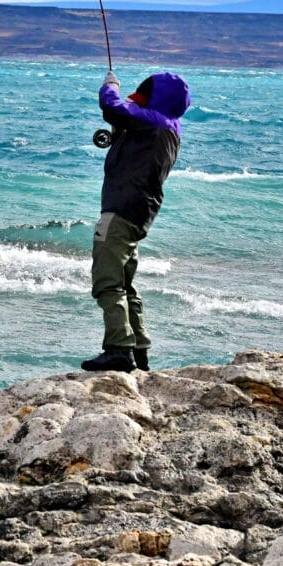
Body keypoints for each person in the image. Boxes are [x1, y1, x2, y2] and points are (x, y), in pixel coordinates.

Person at [82, 70, 190, 373]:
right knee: (126, 282)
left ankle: (118, 349)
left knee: (108, 281)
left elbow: (112, 106)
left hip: (121, 209)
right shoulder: (168, 126)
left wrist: (110, 84)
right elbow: (130, 131)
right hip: (141, 212)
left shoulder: (150, 121)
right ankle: (139, 351)